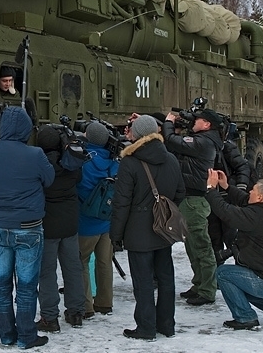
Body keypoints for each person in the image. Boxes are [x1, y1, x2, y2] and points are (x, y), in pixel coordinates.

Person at [0, 106, 55, 349]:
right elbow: (49, 179)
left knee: (1, 283)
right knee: (26, 285)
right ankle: (26, 335)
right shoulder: (34, 154)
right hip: (29, 227)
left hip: (0, 226)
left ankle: (6, 335)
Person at [110, 115, 185, 340]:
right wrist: (164, 211)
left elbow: (122, 203)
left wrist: (116, 235)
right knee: (165, 277)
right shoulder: (171, 158)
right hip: (164, 229)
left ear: (138, 134)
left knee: (143, 282)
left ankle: (145, 327)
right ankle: (166, 325)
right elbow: (181, 192)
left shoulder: (130, 162)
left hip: (137, 230)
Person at [205, 171, 263, 330]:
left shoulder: (256, 216)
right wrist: (226, 186)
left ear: (260, 197)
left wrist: (211, 189)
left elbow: (226, 212)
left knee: (224, 274)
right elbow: (244, 200)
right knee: (238, 284)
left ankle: (245, 318)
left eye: (253, 190)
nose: (249, 192)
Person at [161, 107, 223, 306]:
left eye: (198, 120)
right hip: (190, 199)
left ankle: (207, 290)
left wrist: (168, 123)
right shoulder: (203, 140)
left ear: (207, 124)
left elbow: (172, 141)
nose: (194, 122)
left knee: (202, 247)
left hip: (194, 200)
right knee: (192, 246)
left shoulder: (204, 142)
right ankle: (199, 284)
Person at [34, 124, 86, 333]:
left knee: (47, 272)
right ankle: (76, 312)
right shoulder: (71, 162)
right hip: (70, 223)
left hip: (47, 224)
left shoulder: (39, 164)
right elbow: (79, 179)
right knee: (73, 268)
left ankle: (49, 317)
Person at [77, 121, 119, 318]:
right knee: (104, 261)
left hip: (86, 221)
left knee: (82, 261)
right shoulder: (114, 162)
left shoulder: (84, 162)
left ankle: (86, 306)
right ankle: (104, 301)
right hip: (107, 221)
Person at [209, 127, 252, 264]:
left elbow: (243, 167)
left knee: (231, 237)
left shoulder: (226, 147)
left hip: (226, 197)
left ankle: (242, 267)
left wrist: (239, 188)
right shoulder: (201, 146)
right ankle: (216, 275)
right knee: (213, 238)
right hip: (211, 198)